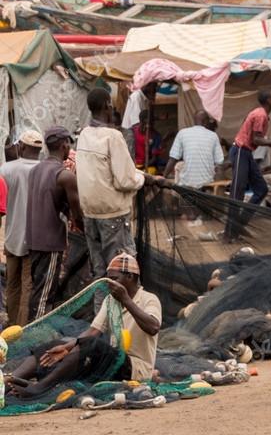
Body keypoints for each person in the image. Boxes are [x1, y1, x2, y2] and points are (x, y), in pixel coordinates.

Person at [7, 254, 161, 398]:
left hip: (136, 369)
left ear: (130, 277)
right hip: (112, 362)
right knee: (56, 345)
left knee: (93, 345)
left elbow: (153, 327)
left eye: (115, 279)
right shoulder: (110, 300)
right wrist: (66, 348)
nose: (110, 284)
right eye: (108, 280)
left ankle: (39, 388)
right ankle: (9, 381)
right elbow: (93, 331)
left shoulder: (149, 299)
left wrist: (126, 300)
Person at [77, 88, 157, 306]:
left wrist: (136, 175)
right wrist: (142, 179)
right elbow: (125, 180)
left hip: (90, 216)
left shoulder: (84, 135)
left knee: (100, 274)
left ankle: (101, 326)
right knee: (123, 274)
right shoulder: (113, 136)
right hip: (113, 216)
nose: (112, 108)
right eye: (110, 105)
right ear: (106, 106)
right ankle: (124, 324)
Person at [25, 127, 83, 322]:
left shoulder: (35, 170)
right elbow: (78, 216)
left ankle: (35, 334)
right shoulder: (65, 175)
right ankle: (33, 339)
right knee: (44, 295)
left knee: (39, 289)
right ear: (63, 145)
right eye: (69, 143)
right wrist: (88, 233)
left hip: (33, 239)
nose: (69, 147)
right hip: (50, 243)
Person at [0, 131, 42, 326]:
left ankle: (10, 324)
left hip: (11, 236)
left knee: (12, 284)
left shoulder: (6, 169)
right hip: (34, 238)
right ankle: (21, 330)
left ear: (22, 147)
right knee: (27, 286)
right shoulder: (44, 170)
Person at [228, 90, 271, 206]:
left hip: (246, 153)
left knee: (261, 189)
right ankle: (232, 223)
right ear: (269, 101)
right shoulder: (260, 115)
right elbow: (256, 140)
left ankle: (242, 218)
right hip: (240, 150)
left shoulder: (262, 114)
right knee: (238, 189)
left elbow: (255, 138)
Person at [163, 110, 224, 188]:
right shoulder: (213, 136)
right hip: (207, 184)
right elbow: (219, 162)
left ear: (194, 120)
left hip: (187, 184)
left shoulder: (182, 133)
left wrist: (164, 177)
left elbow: (173, 159)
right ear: (205, 122)